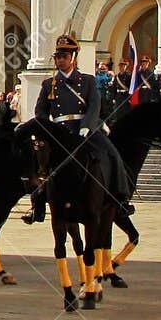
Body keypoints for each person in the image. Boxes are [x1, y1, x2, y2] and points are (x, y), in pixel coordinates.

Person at [25, 31, 116, 222]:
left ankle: (119, 197)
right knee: (38, 159)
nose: (60, 60)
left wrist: (86, 126)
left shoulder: (88, 81)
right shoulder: (49, 83)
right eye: (57, 56)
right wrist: (49, 130)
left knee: (110, 152)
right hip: (58, 132)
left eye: (64, 56)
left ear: (73, 57)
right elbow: (40, 110)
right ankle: (37, 204)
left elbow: (94, 106)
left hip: (82, 129)